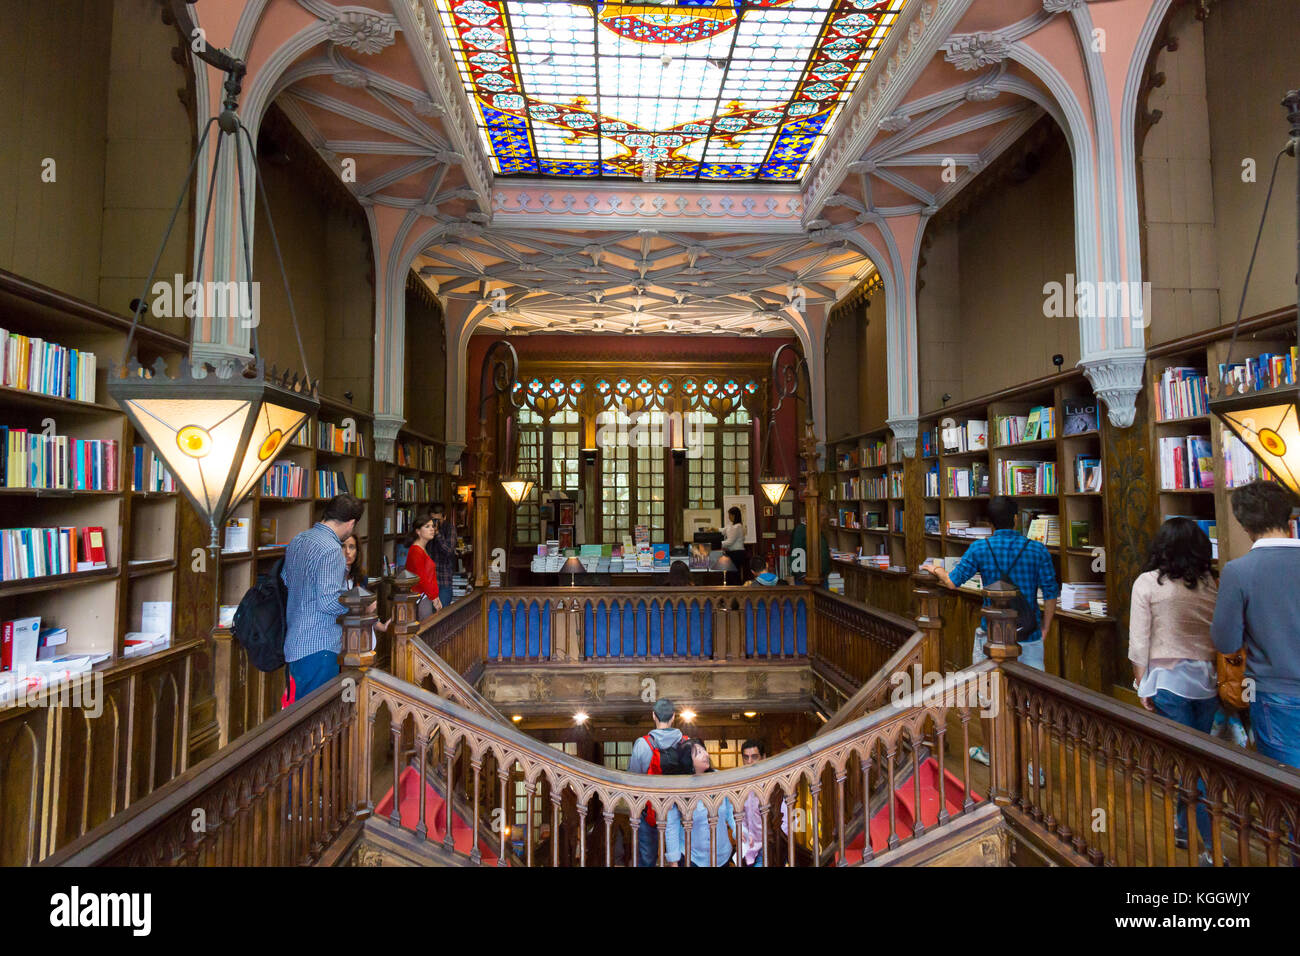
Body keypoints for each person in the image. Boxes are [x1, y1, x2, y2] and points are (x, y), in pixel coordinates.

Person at [926, 496, 1058, 766]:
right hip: (1028, 634)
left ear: (988, 523)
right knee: (1035, 707)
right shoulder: (1037, 550)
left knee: (988, 698)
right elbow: (1051, 592)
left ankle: (989, 751)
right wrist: (1045, 627)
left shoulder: (980, 548)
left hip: (992, 636)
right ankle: (1036, 768)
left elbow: (953, 582)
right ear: (1016, 519)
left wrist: (937, 569)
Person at [1128, 517, 1219, 860]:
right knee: (1197, 759)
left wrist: (1142, 684)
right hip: (1209, 684)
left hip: (1167, 684)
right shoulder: (1212, 582)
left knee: (1190, 767)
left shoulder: (1147, 583)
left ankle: (1211, 848)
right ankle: (1183, 825)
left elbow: (1140, 641)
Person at [1212, 481, 1300, 770]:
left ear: (1244, 525)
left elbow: (1225, 641)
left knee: (1285, 791)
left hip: (1276, 694)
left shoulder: (1238, 571)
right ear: (1290, 519)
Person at [282, 494, 371, 700]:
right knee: (313, 714)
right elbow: (328, 601)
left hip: (295, 639)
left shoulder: (298, 539)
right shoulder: (332, 550)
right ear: (351, 523)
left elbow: (286, 581)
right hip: (319, 643)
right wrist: (357, 604)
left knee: (297, 710)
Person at [627, 697, 687, 867]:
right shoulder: (685, 743)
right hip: (680, 812)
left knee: (647, 860)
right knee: (680, 857)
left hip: (650, 812)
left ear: (653, 715)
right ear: (674, 716)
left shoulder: (642, 744)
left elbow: (632, 780)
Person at [665, 740, 737, 867]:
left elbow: (730, 811)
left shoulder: (720, 779)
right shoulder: (678, 788)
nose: (706, 754)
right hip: (691, 857)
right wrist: (673, 860)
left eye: (704, 750)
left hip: (722, 856)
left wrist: (739, 832)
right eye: (699, 752)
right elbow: (672, 826)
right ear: (689, 761)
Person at [403, 511, 444, 618]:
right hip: (421, 597)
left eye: (432, 526)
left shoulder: (422, 549)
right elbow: (422, 578)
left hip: (427, 596)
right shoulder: (416, 551)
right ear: (418, 531)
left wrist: (436, 596)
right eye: (427, 526)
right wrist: (434, 597)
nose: (432, 529)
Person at [739, 738, 767, 866]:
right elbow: (741, 816)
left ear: (763, 757)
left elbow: (784, 821)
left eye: (754, 757)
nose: (749, 762)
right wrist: (743, 832)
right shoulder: (741, 784)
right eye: (746, 757)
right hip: (749, 847)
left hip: (768, 846)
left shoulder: (772, 783)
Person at [429, 503, 458, 607]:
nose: (435, 523)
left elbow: (448, 551)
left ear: (444, 517)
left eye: (438, 520)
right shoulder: (426, 529)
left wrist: (437, 534)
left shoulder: (450, 529)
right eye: (433, 519)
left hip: (443, 579)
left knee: (442, 614)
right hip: (429, 580)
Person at [790, 512, 830, 586]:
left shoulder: (817, 530)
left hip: (821, 577)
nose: (825, 521)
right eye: (824, 518)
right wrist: (801, 575)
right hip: (806, 579)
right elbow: (796, 552)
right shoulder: (801, 530)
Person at [722, 505, 748, 585]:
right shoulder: (733, 526)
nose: (729, 517)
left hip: (736, 554)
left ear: (734, 515)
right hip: (734, 553)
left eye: (730, 515)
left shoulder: (737, 527)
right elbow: (723, 530)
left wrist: (717, 544)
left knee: (734, 576)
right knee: (731, 575)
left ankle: (736, 593)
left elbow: (730, 542)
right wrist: (714, 529)